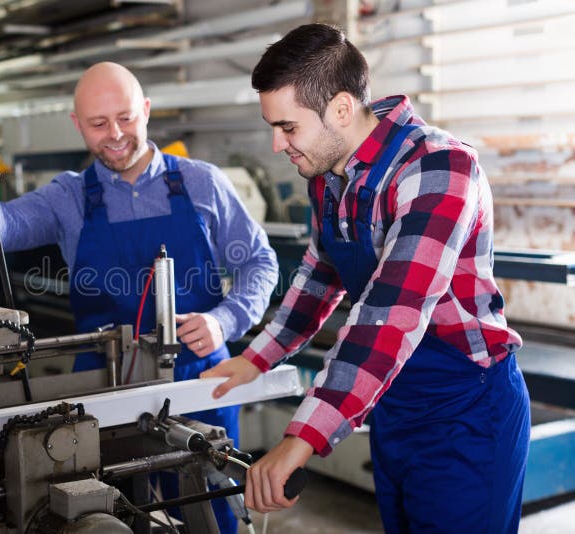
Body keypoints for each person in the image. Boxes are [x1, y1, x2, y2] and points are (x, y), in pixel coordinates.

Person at [202, 23, 531, 533]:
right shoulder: (329, 174)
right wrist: (254, 358)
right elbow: (318, 276)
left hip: (465, 410)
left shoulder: (438, 169)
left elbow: (389, 317)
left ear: (339, 108)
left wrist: (302, 437)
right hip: (393, 403)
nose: (276, 144)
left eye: (287, 127)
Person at [0, 61, 278, 534]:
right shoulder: (68, 197)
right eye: (99, 124)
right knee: (109, 515)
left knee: (213, 510)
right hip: (104, 384)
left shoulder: (201, 182)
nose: (116, 134)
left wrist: (225, 321)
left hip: (200, 378)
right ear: (77, 125)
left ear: (146, 110)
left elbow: (260, 264)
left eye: (126, 118)